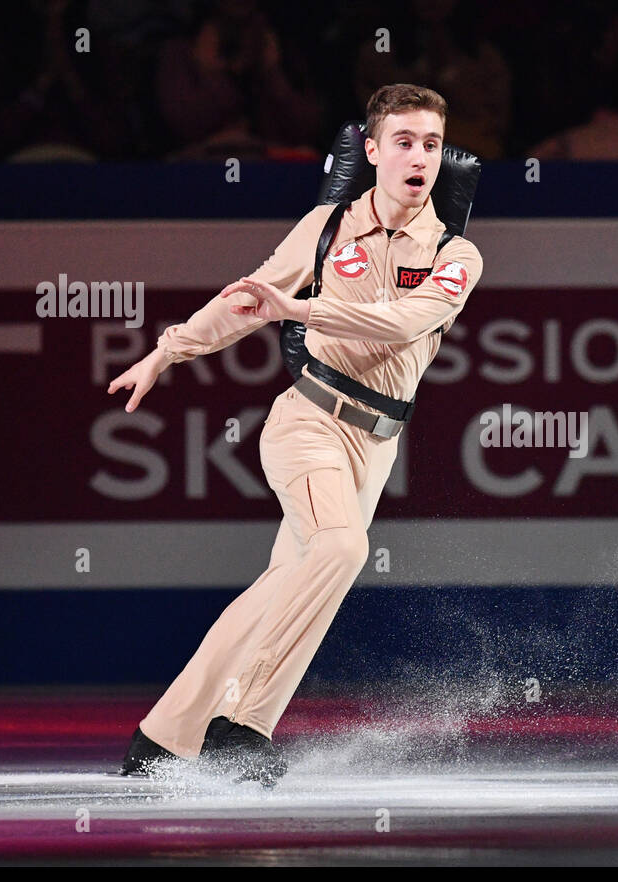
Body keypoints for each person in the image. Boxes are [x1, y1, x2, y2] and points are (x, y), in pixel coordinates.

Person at [106, 83, 483, 786]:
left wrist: (303, 307)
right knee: (341, 547)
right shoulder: (325, 226)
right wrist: (167, 351)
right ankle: (240, 727)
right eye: (402, 141)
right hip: (308, 421)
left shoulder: (457, 254)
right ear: (371, 151)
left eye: (431, 144)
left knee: (290, 583)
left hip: (376, 445)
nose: (418, 157)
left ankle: (163, 737)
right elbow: (249, 297)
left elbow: (403, 323)